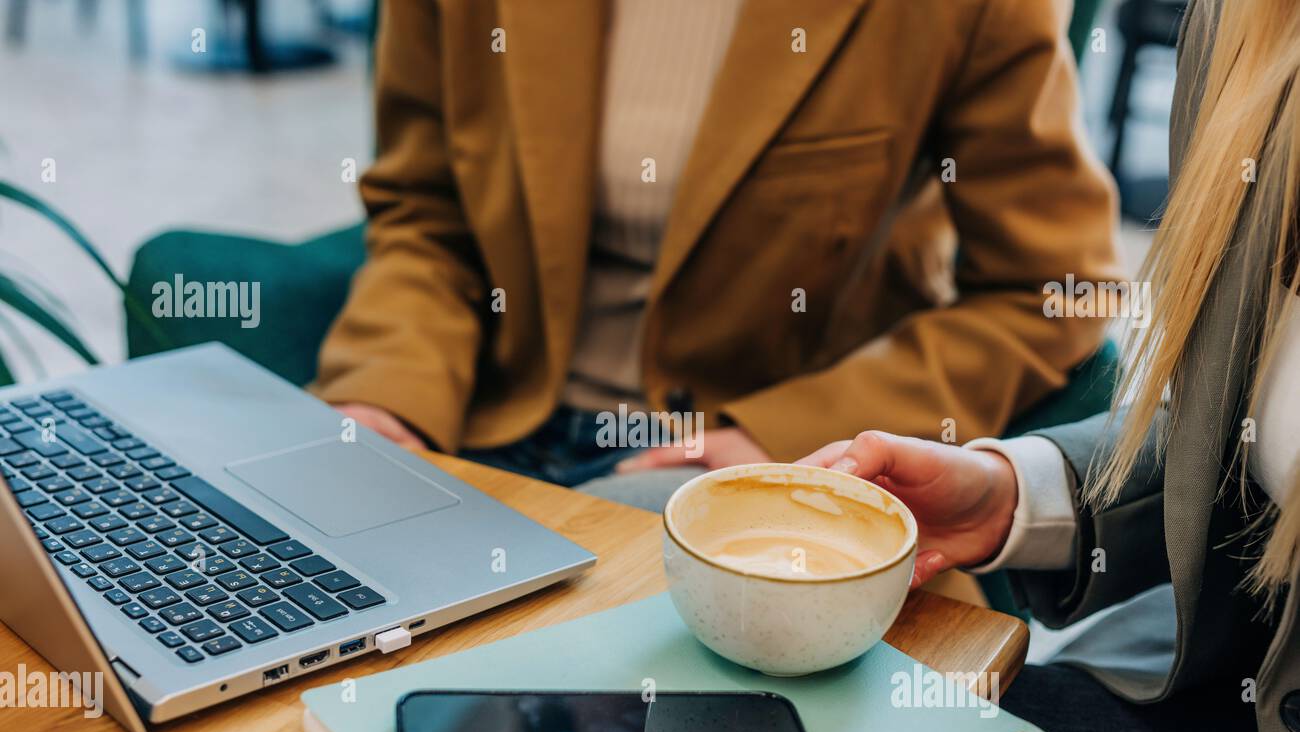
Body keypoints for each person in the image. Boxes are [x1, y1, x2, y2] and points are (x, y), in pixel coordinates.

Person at [798, 0, 1300, 732]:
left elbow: (1048, 287)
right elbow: (1255, 431)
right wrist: (1013, 496)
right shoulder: (1251, 30)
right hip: (1236, 701)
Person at [312, 0, 1120, 510]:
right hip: (479, 421)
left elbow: (1058, 288)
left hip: (736, 464)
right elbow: (426, 209)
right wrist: (387, 399)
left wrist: (792, 434)